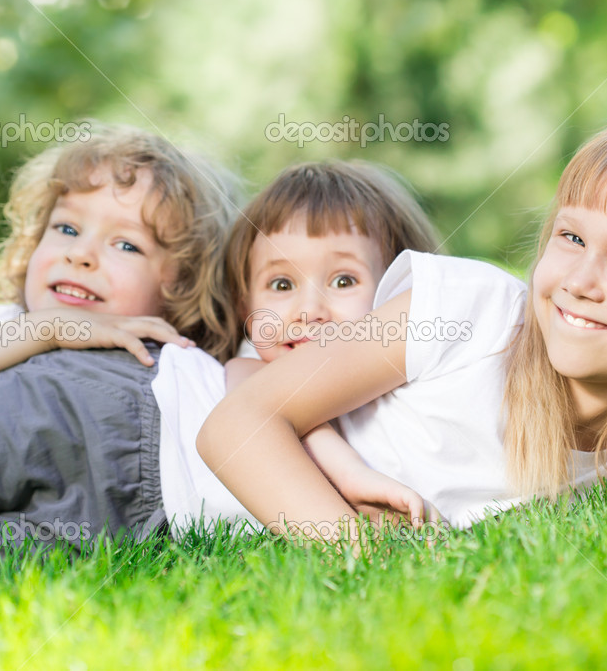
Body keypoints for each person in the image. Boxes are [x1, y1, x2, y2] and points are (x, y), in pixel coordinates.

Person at [198, 112, 607, 541]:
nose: (580, 280)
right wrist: (356, 553)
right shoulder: (467, 313)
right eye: (571, 236)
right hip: (144, 423)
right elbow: (237, 421)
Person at [0, 123, 240, 565]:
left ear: (184, 289)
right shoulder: (14, 327)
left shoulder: (161, 365)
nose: (81, 254)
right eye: (67, 229)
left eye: (126, 244)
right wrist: (46, 329)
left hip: (102, 462)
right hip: (95, 504)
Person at [150, 160, 444, 535]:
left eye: (343, 280)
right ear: (246, 306)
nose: (309, 311)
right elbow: (252, 396)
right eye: (282, 285)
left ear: (398, 293)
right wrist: (348, 471)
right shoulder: (251, 368)